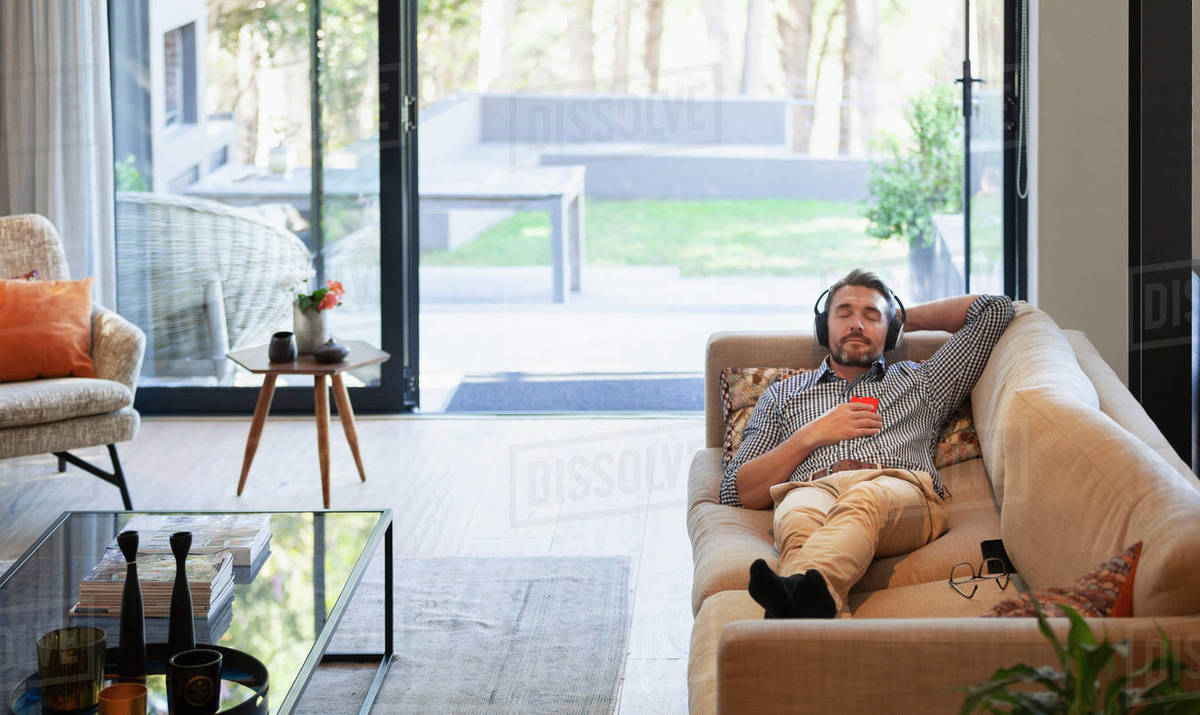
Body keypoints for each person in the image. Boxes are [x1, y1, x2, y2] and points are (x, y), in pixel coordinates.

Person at [720, 269, 1014, 618]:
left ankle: (792, 608)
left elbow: (994, 310)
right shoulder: (783, 395)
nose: (856, 324)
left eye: (871, 316)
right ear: (823, 327)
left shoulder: (922, 383)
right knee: (798, 522)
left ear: (889, 331)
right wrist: (811, 435)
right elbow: (735, 491)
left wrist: (901, 317)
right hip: (811, 489)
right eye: (844, 314)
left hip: (896, 491)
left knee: (865, 498)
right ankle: (813, 618)